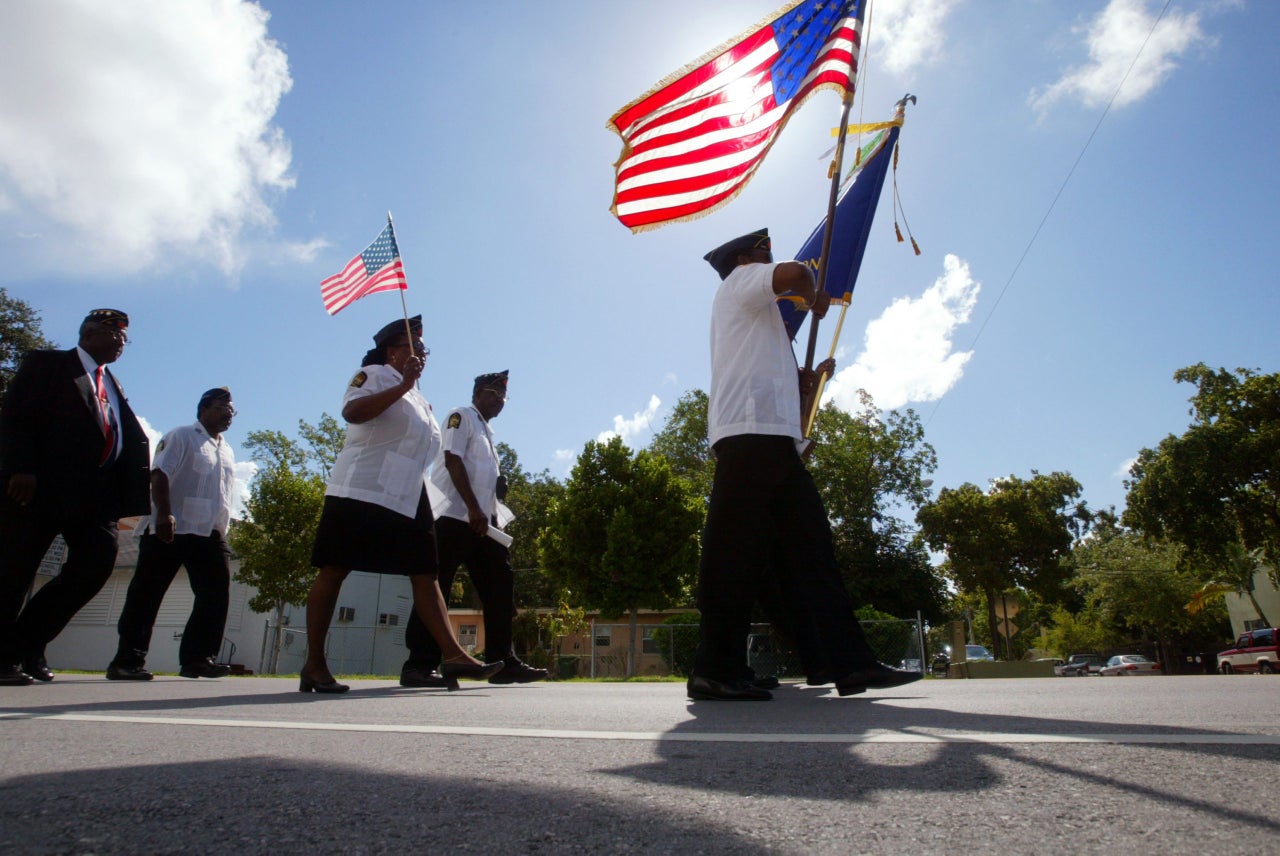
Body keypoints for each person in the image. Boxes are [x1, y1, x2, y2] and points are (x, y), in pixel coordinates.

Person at [688, 229, 921, 701]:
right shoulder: (743, 280)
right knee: (733, 556)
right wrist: (813, 298)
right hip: (749, 436)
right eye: (764, 250)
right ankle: (715, 668)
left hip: (773, 441)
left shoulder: (761, 320)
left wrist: (803, 389)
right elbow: (796, 273)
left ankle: (847, 663)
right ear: (745, 257)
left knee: (810, 552)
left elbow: (776, 384)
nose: (771, 256)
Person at [301, 315, 503, 693]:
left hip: (409, 495)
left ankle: (453, 654)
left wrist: (410, 386)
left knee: (425, 573)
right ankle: (314, 662)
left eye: (425, 350)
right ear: (393, 351)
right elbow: (353, 412)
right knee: (334, 569)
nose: (422, 355)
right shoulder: (373, 375)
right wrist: (405, 383)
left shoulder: (418, 396)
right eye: (416, 348)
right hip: (362, 489)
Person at [0, 309, 150, 686]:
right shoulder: (49, 364)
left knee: (95, 566)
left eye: (124, 340)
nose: (121, 345)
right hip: (39, 490)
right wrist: (21, 467)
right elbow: (17, 413)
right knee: (14, 572)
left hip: (94, 500)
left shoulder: (111, 384)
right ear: (88, 334)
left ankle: (26, 644)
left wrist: (130, 507)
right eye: (114, 337)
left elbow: (124, 440)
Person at [400, 371, 547, 688]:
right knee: (436, 586)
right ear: (479, 392)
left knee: (500, 583)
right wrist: (473, 507)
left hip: (482, 523)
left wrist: (490, 512)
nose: (501, 401)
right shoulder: (461, 416)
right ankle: (419, 665)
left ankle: (503, 661)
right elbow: (452, 460)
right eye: (495, 394)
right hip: (452, 517)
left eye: (504, 396)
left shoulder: (487, 432)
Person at [106, 387, 238, 681]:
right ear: (203, 409)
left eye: (232, 411)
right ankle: (127, 660)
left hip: (209, 534)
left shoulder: (226, 449)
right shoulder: (181, 436)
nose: (229, 414)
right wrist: (163, 514)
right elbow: (159, 474)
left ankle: (197, 659)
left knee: (215, 595)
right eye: (222, 407)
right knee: (146, 595)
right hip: (171, 529)